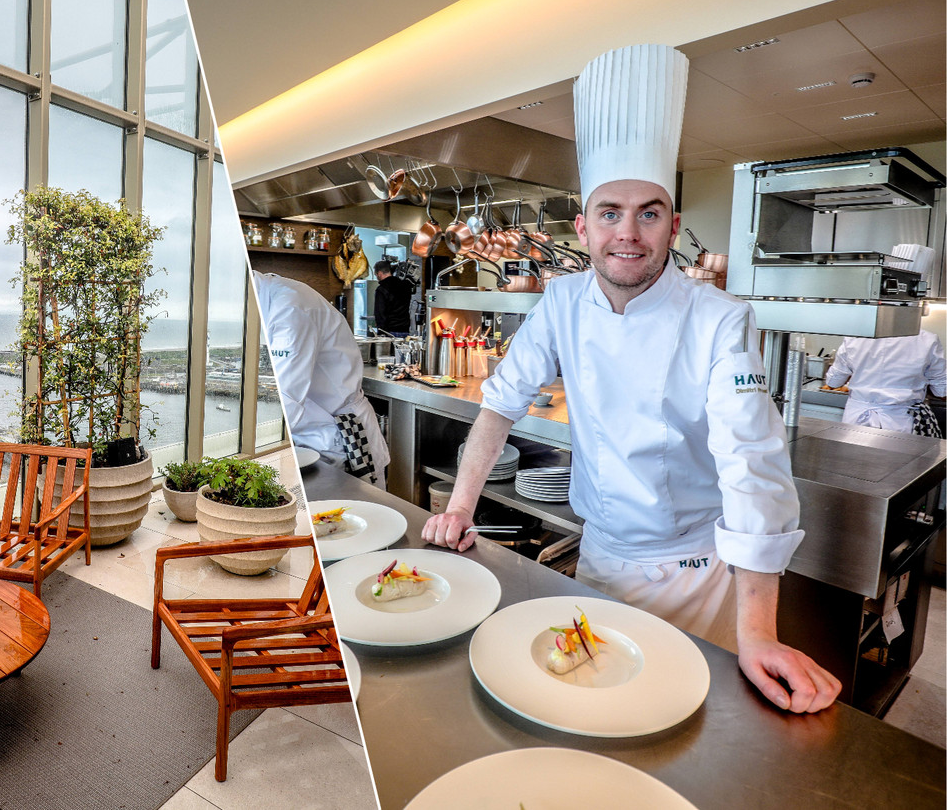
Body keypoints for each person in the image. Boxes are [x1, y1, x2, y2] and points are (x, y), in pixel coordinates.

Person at [420, 43, 840, 714]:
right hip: (600, 555)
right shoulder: (559, 302)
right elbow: (498, 408)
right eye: (610, 213)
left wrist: (759, 631)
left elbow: (751, 463)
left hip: (695, 572)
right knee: (588, 707)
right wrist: (459, 511)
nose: (630, 234)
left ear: (673, 226)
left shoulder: (720, 318)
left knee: (684, 723)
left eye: (649, 213)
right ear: (584, 227)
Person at [253, 270, 390, 483]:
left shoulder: (290, 308)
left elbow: (287, 398)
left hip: (342, 434)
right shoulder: (266, 301)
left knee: (360, 510)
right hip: (310, 436)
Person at [824, 332, 945, 436]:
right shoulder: (927, 339)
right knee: (898, 462)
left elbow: (833, 382)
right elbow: (942, 390)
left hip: (856, 418)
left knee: (854, 460)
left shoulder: (856, 337)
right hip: (899, 421)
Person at [372, 260, 412, 336]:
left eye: (376, 274)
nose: (376, 277)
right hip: (405, 331)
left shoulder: (381, 289)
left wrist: (381, 333)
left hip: (389, 332)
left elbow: (380, 313)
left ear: (379, 273)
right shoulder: (405, 286)